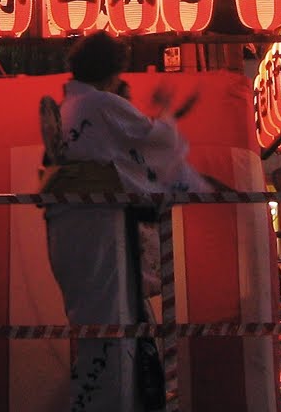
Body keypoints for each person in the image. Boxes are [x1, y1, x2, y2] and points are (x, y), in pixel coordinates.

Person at [41, 31, 205, 412]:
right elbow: (153, 141)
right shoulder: (98, 104)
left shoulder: (72, 107)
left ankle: (96, 399)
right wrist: (166, 117)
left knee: (95, 323)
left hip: (70, 222)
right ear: (112, 70)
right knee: (111, 325)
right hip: (97, 219)